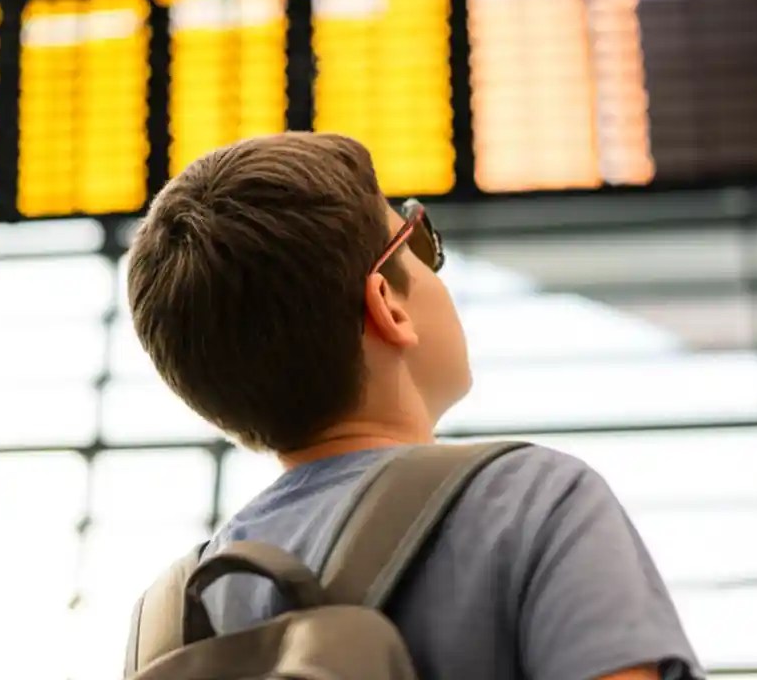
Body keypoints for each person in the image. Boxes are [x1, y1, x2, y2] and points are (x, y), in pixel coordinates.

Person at [126, 132, 702, 680]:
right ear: (388, 305)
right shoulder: (531, 500)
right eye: (419, 242)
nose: (434, 264)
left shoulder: (171, 617)